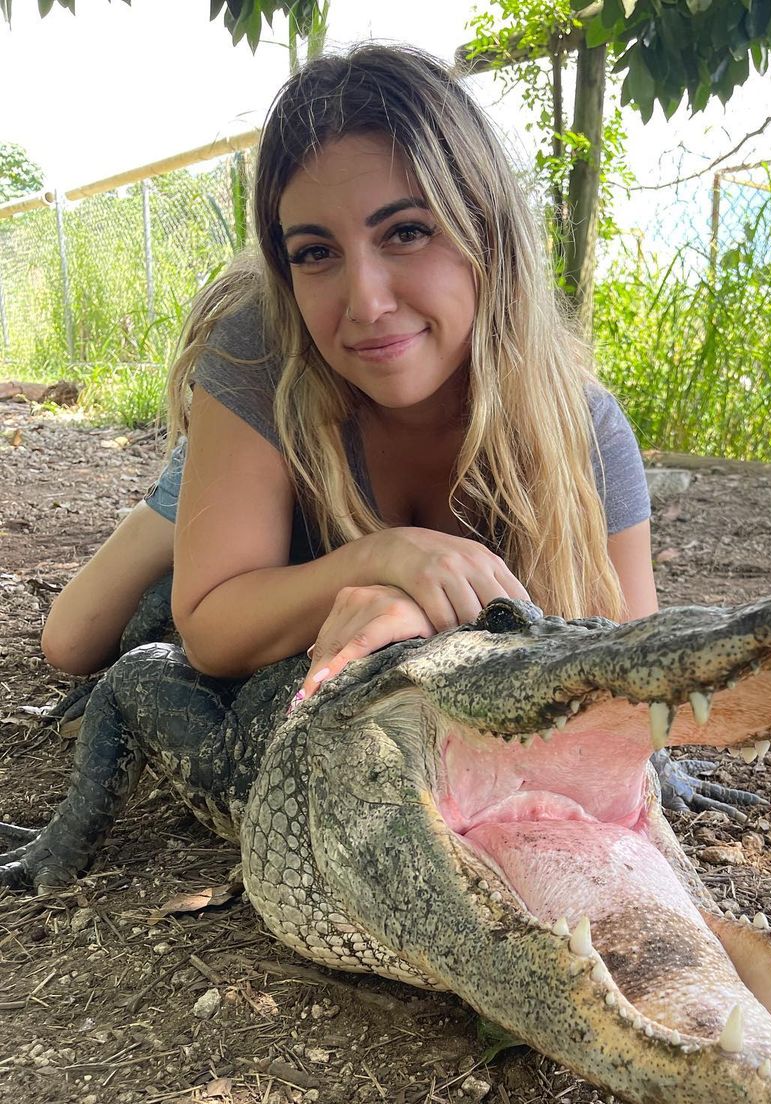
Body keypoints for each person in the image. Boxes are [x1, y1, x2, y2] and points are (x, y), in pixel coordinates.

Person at [41, 42, 657, 705]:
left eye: (407, 232)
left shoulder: (586, 430)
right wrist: (381, 557)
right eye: (315, 251)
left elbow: (638, 675)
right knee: (74, 639)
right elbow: (213, 632)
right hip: (283, 404)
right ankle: (202, 484)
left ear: (487, 235)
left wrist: (420, 610)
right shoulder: (260, 346)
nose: (366, 303)